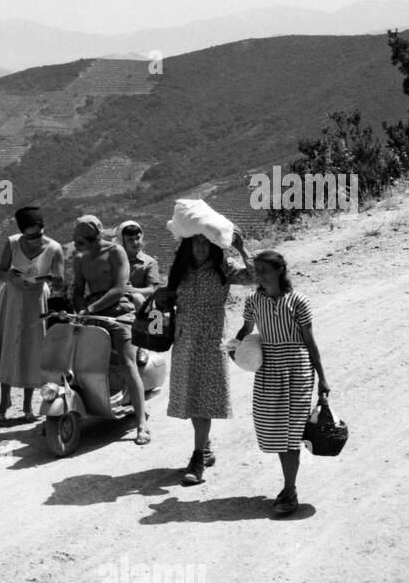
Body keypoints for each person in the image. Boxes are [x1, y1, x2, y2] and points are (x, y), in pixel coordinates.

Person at [231, 250, 329, 516]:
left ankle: (289, 490)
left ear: (279, 271)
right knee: (273, 426)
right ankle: (289, 487)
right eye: (256, 271)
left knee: (291, 433)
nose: (259, 276)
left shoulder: (298, 301)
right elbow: (246, 330)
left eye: (264, 270)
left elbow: (310, 341)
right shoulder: (253, 301)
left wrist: (322, 378)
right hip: (269, 369)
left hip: (297, 369)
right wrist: (234, 347)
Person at [158, 228, 254, 483]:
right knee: (191, 398)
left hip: (211, 341)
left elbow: (255, 276)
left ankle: (198, 457)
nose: (200, 248)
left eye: (205, 243)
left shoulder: (224, 267)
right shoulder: (179, 269)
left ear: (213, 245)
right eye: (195, 243)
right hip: (185, 340)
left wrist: (242, 248)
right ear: (188, 245)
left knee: (203, 398)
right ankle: (206, 444)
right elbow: (168, 301)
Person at [66, 215, 150, 445]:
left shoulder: (115, 252)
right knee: (77, 360)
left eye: (80, 242)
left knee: (127, 362)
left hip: (120, 312)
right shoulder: (80, 258)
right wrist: (81, 309)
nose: (76, 246)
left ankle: (141, 422)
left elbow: (119, 287)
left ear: (95, 238)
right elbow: (77, 289)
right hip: (92, 314)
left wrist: (91, 308)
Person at [0, 205, 64, 421]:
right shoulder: (12, 243)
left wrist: (48, 278)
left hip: (37, 300)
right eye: (29, 237)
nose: (35, 240)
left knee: (32, 348)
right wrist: (11, 276)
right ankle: (3, 403)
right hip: (13, 298)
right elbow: (0, 273)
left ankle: (27, 406)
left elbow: (61, 282)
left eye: (38, 235)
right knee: (9, 345)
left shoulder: (54, 248)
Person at [117, 220, 162, 312]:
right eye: (130, 239)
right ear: (123, 240)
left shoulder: (149, 262)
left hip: (140, 304)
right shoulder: (114, 260)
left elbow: (152, 289)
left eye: (138, 238)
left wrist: (132, 290)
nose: (135, 242)